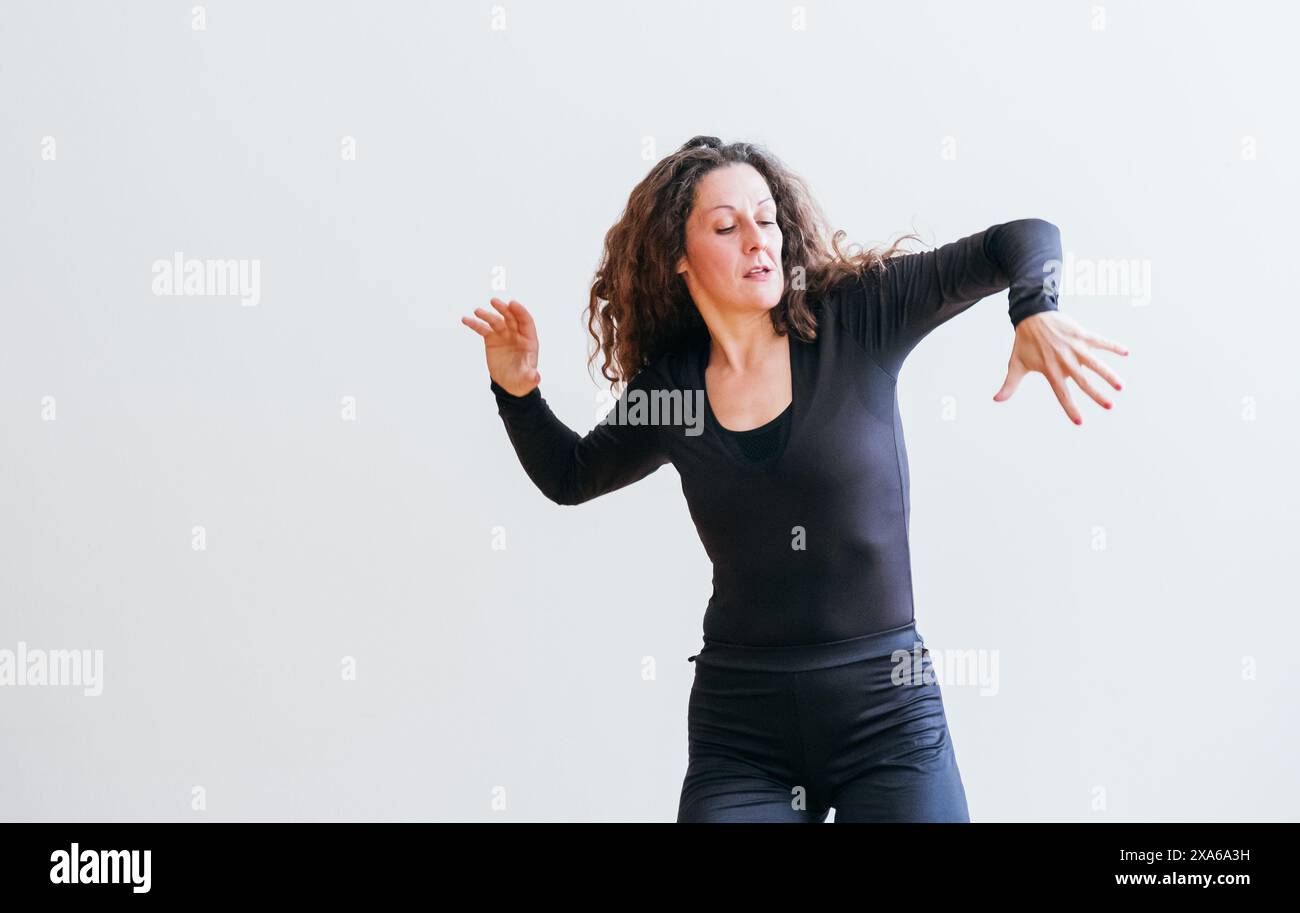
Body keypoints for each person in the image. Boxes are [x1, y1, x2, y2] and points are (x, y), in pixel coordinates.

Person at [460, 136, 1129, 822]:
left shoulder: (859, 318)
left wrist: (1034, 307)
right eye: (726, 227)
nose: (757, 239)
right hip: (742, 734)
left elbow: (1021, 237)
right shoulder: (676, 393)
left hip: (887, 717)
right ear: (678, 260)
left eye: (766, 218)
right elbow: (571, 475)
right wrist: (516, 393)